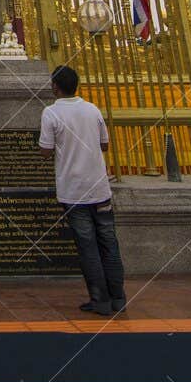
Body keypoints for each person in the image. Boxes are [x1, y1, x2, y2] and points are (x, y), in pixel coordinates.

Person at [39, 65, 126, 315]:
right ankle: (118, 298)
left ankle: (100, 300)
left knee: (87, 247)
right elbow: (105, 144)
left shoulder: (51, 113)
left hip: (74, 190)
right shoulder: (93, 109)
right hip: (100, 187)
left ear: (55, 87)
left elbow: (45, 151)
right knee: (109, 242)